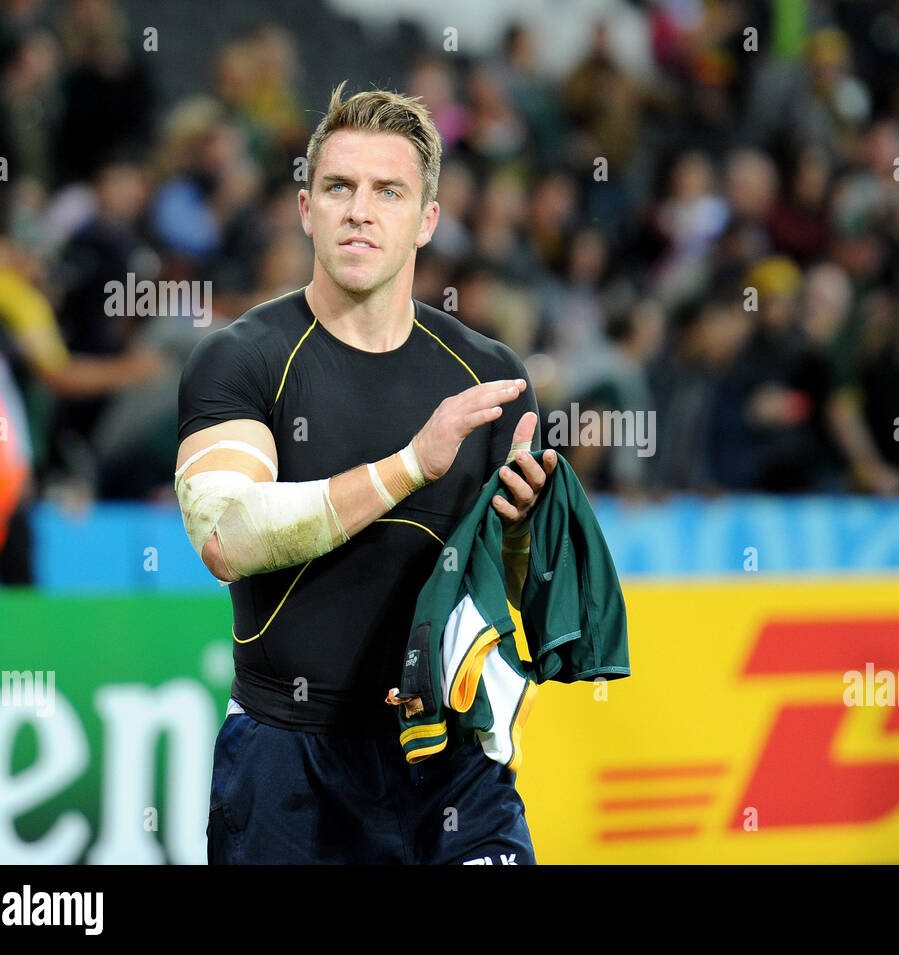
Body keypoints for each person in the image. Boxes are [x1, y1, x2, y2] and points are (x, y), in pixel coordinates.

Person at [174, 83, 557, 865]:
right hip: (290, 766)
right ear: (307, 207)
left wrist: (520, 542)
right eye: (339, 187)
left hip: (452, 766)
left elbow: (516, 593)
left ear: (427, 220)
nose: (360, 209)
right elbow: (224, 533)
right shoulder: (242, 357)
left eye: (389, 191)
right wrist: (413, 464)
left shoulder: (489, 375)